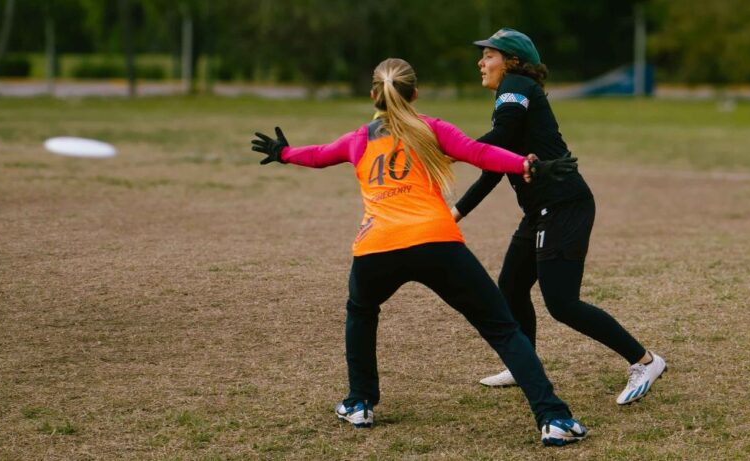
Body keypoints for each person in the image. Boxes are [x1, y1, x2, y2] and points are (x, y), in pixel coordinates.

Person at [251, 58, 587, 446]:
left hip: (377, 246)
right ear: (414, 94)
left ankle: (359, 402)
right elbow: (479, 152)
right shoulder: (432, 128)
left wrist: (283, 152)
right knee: (503, 328)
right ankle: (553, 418)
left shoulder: (359, 138)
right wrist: (525, 164)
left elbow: (319, 155)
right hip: (437, 241)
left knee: (361, 311)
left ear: (374, 96)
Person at [451, 28, 666, 405]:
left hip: (564, 206)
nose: (481, 62)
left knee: (562, 303)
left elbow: (499, 137)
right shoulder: (513, 95)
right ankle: (524, 366)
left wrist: (452, 150)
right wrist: (455, 213)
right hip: (542, 210)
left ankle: (645, 361)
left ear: (512, 61)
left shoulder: (515, 85)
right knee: (512, 286)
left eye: (489, 55)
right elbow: (495, 166)